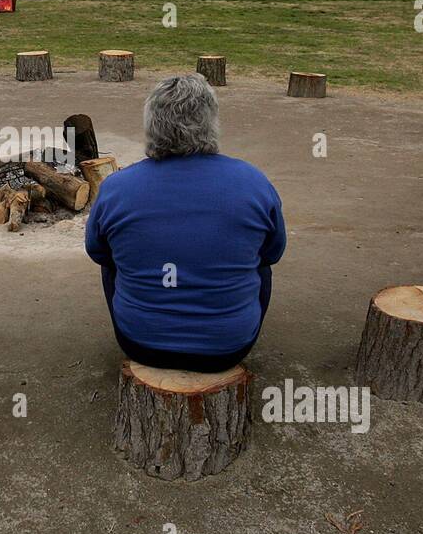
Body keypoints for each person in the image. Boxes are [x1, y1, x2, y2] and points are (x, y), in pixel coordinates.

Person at [85, 74, 286, 372]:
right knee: (260, 265)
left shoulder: (116, 187)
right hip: (229, 350)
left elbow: (98, 252)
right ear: (211, 122)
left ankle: (147, 322)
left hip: (139, 344)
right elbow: (273, 253)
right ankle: (229, 323)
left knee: (113, 262)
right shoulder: (253, 182)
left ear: (151, 123)